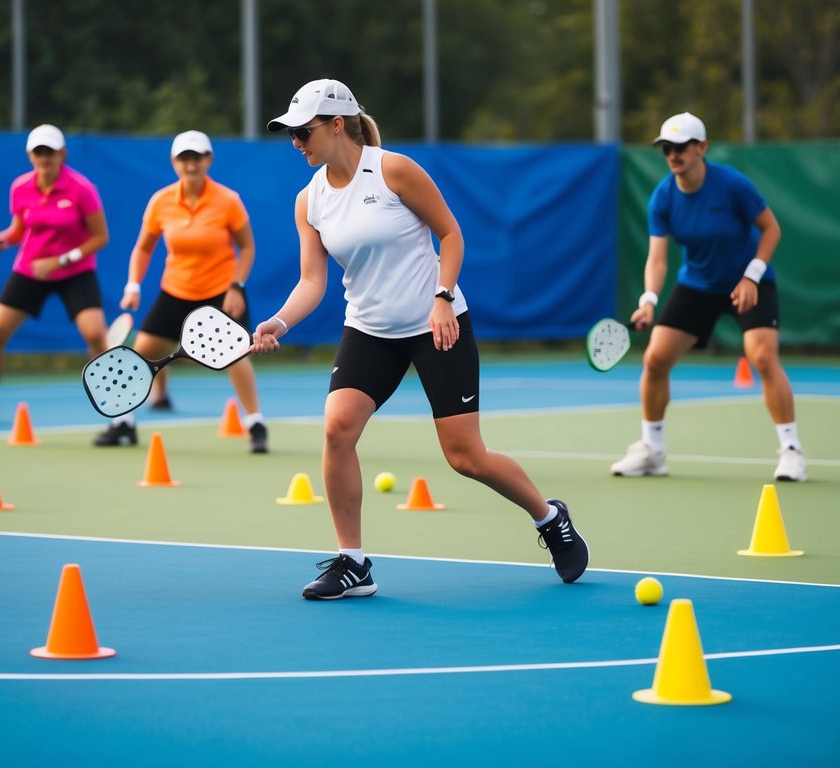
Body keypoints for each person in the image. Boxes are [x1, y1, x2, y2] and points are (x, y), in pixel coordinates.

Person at [252, 79, 588, 600]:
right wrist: (279, 322)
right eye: (290, 133)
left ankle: (549, 517)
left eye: (304, 129)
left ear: (337, 124)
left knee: (465, 457)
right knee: (337, 430)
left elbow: (451, 235)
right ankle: (353, 562)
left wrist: (442, 297)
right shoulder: (309, 200)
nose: (296, 140)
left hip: (436, 324)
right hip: (368, 329)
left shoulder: (394, 171)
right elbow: (312, 281)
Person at [611, 112, 807, 482]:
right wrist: (649, 298)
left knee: (763, 357)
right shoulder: (663, 197)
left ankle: (792, 450)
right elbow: (657, 257)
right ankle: (652, 451)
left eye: (682, 146)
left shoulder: (732, 185)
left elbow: (771, 229)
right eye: (666, 148)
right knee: (655, 358)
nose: (673, 154)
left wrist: (752, 275)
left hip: (749, 282)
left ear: (701, 147)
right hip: (698, 285)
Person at [95, 130, 269, 452]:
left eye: (197, 157)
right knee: (142, 349)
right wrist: (133, 284)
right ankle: (124, 423)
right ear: (175, 162)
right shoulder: (161, 201)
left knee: (237, 355)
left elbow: (247, 248)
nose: (191, 164)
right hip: (176, 289)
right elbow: (143, 249)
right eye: (184, 158)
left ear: (208, 160)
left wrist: (236, 286)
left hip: (221, 290)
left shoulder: (228, 200)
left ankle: (256, 423)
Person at [0, 124, 117, 437]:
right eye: (39, 152)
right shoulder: (21, 188)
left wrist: (61, 260)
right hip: (31, 270)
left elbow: (101, 237)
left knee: (96, 335)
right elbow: (20, 229)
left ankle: (118, 413)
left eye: (50, 152)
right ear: (31, 155)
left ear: (62, 154)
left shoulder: (82, 189)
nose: (45, 158)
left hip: (75, 272)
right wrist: (5, 239)